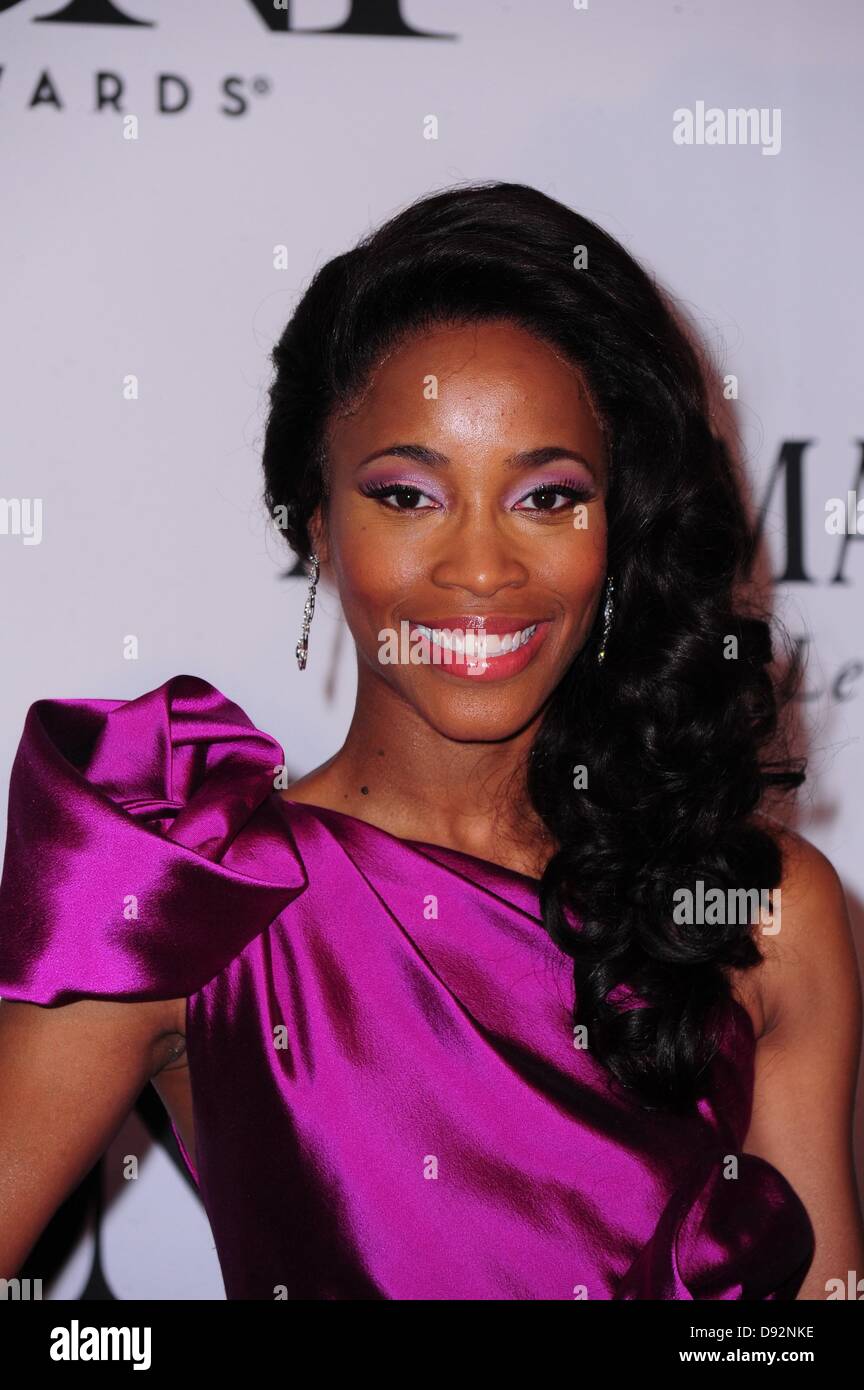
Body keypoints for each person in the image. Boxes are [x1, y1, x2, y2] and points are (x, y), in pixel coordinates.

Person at [1, 181, 862, 1301]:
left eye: (547, 497)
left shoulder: (763, 910)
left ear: (622, 528)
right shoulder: (186, 898)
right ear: (316, 521)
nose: (481, 570)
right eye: (408, 495)